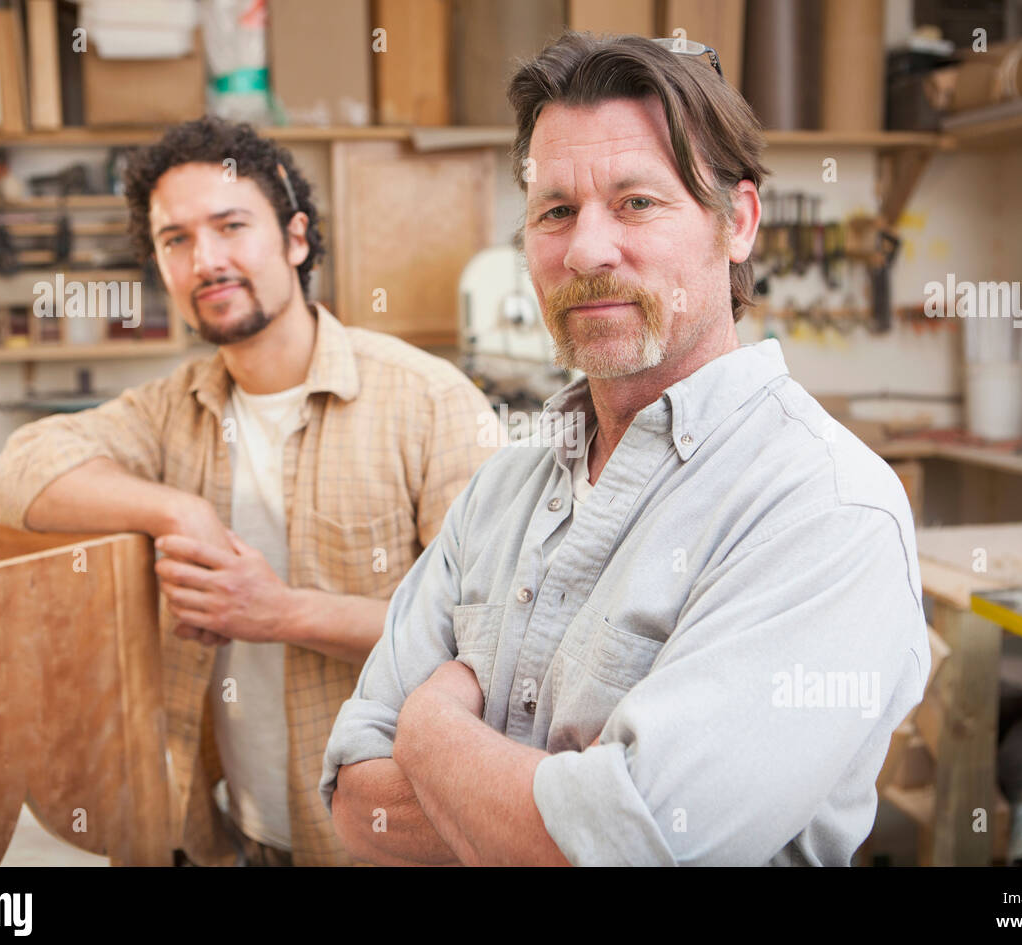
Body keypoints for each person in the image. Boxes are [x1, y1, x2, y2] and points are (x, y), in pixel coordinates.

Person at [320, 32, 929, 866]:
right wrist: (547, 805)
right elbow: (358, 807)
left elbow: (626, 849)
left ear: (738, 222)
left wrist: (429, 728)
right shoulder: (503, 488)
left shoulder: (824, 510)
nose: (586, 251)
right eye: (555, 210)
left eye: (638, 203)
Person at [0, 117, 496, 866]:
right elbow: (15, 473)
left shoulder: (428, 401)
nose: (206, 260)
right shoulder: (169, 410)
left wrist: (281, 612)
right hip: (231, 835)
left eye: (229, 226)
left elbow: (487, 639)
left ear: (294, 237)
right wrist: (175, 508)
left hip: (378, 845)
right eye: (176, 239)